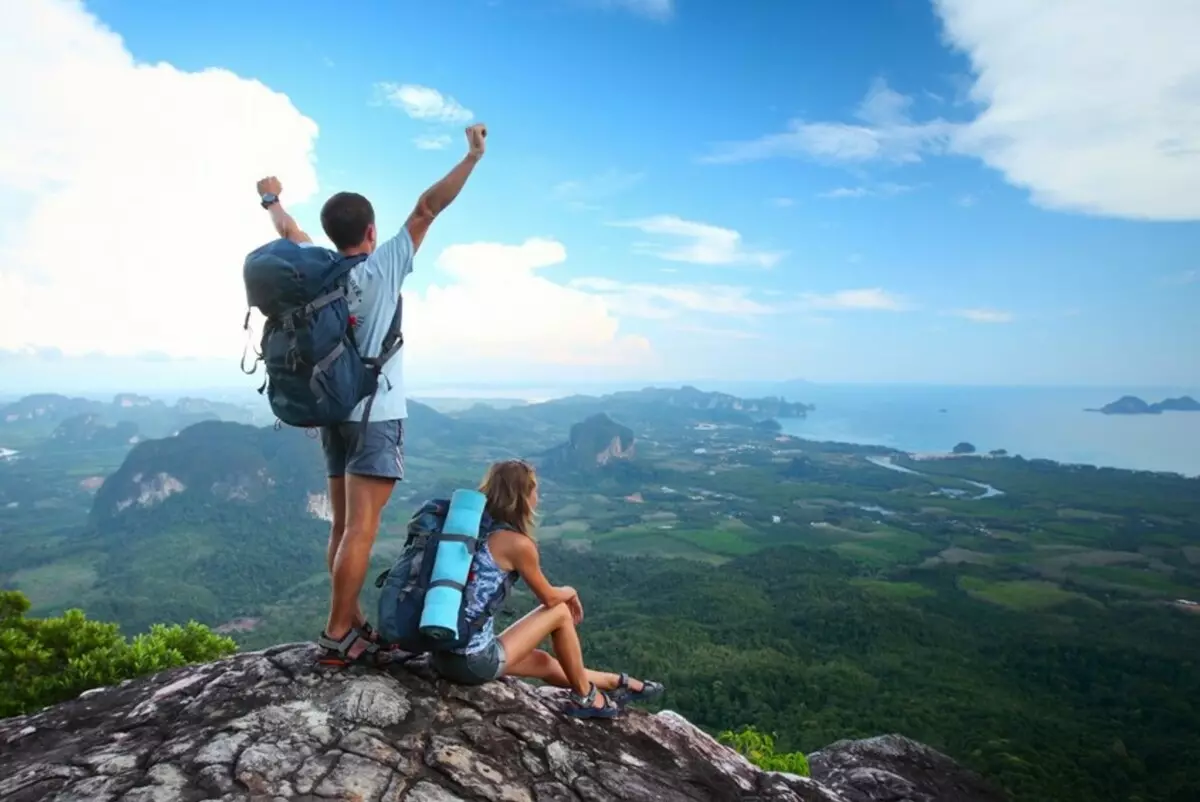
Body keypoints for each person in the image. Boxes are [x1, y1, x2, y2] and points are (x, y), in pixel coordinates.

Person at [255, 123, 489, 667]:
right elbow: (428, 207)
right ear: (371, 229)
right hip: (375, 416)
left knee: (341, 527)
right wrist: (472, 157)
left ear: (330, 232)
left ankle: (350, 616)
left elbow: (289, 232)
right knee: (362, 528)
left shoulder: (320, 272)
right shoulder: (382, 266)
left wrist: (271, 199)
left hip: (332, 413)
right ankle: (339, 632)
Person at [430, 459, 665, 718]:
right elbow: (550, 598)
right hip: (471, 662)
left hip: (441, 653)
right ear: (522, 496)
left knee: (543, 662)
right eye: (535, 491)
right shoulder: (516, 544)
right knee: (561, 612)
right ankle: (587, 698)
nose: (537, 497)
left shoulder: (466, 531)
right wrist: (570, 591)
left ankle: (617, 682)